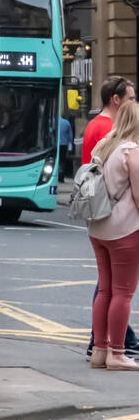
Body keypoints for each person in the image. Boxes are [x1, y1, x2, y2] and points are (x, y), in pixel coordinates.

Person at [83, 75, 139, 358]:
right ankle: (117, 351)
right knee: (122, 293)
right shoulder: (129, 149)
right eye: (131, 98)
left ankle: (101, 350)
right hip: (123, 228)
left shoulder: (102, 141)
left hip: (99, 225)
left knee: (105, 290)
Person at [82, 76, 135, 164]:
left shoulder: (95, 123)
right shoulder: (109, 128)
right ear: (116, 99)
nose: (134, 103)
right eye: (131, 99)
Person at [57, 115, 73, 182]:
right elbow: (70, 136)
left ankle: (56, 176)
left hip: (56, 144)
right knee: (62, 161)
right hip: (64, 144)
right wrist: (70, 144)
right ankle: (61, 177)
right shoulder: (67, 122)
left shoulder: (54, 121)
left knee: (56, 160)